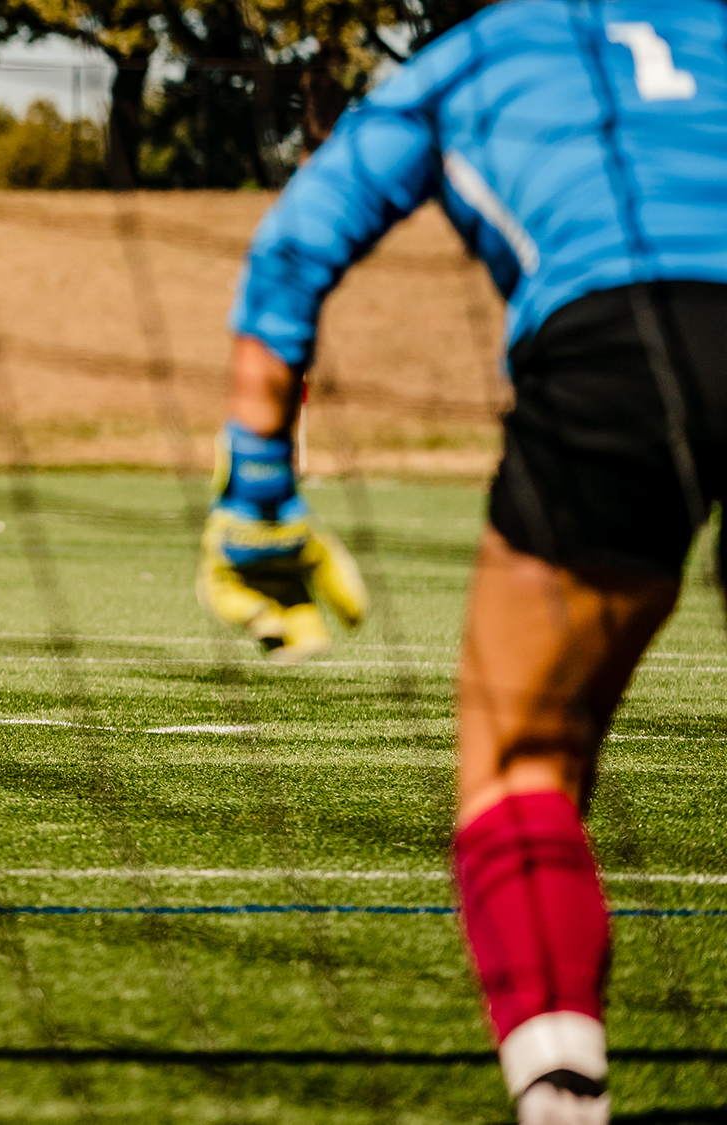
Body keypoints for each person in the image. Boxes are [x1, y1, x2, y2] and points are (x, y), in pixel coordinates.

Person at [200, 5, 727, 1121]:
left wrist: (256, 500)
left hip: (617, 352)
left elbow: (292, 254)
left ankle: (558, 1096)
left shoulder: (470, 58)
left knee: (519, 769)